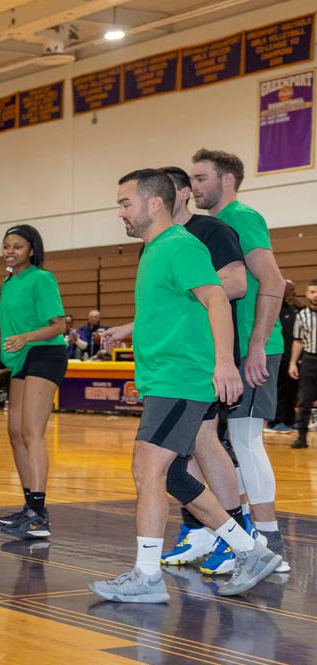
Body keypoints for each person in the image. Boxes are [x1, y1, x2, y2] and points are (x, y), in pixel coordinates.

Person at [88, 169, 279, 603]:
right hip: (164, 378)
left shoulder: (180, 245)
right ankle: (250, 550)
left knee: (147, 469)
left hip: (183, 378)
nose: (120, 211)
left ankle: (147, 577)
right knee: (171, 473)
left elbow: (217, 299)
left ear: (155, 203)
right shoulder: (156, 250)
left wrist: (226, 364)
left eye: (125, 202)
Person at [191, 148, 289, 571]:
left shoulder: (242, 218)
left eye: (200, 178)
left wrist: (255, 346)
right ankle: (242, 533)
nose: (193, 187)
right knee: (230, 443)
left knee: (246, 441)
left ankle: (269, 544)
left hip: (255, 345)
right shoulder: (215, 225)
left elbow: (273, 281)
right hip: (234, 346)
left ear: (226, 180)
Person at [0, 224, 68, 538]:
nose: (10, 251)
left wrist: (26, 337)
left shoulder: (42, 278)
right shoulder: (11, 281)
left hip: (45, 353)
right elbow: (12, 323)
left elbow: (57, 326)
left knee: (31, 432)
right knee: (14, 431)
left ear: (31, 250)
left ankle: (39, 514)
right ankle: (30, 506)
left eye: (17, 246)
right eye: (6, 246)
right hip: (23, 357)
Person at [289, 280, 317, 448]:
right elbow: (298, 341)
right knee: (305, 399)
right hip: (309, 360)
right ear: (307, 294)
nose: (315, 295)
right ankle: (302, 437)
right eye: (312, 292)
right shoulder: (302, 315)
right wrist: (293, 363)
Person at [272, 281, 300, 432]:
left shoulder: (292, 308)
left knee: (291, 391)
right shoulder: (274, 308)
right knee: (280, 391)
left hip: (291, 357)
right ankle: (275, 422)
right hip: (279, 356)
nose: (290, 292)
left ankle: (290, 419)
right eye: (289, 289)